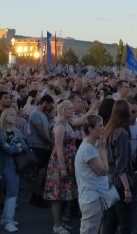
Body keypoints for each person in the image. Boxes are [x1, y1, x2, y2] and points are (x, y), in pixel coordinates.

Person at [43, 100, 78, 234]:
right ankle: (57, 225)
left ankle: (60, 223)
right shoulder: (60, 126)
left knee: (63, 193)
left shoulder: (67, 124)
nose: (72, 110)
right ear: (63, 110)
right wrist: (63, 168)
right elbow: (58, 147)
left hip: (69, 160)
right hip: (60, 162)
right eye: (69, 108)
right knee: (56, 194)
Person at [104, 99, 136, 234]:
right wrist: (127, 188)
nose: (134, 114)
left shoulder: (109, 130)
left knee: (112, 220)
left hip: (111, 180)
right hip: (121, 183)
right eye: (132, 111)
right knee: (126, 223)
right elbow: (121, 163)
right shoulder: (121, 133)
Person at [75, 115, 110, 234]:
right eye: (100, 126)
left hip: (96, 196)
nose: (103, 128)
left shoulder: (90, 146)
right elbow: (103, 170)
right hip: (91, 199)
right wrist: (102, 149)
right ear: (90, 129)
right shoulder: (88, 149)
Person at [0, 107, 27, 232]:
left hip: (17, 165)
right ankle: (8, 221)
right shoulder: (0, 133)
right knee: (12, 191)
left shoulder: (16, 131)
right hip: (6, 165)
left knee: (13, 190)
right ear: (5, 117)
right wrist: (17, 147)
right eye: (11, 115)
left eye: (15, 114)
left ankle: (6, 218)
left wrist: (15, 147)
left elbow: (25, 146)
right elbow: (7, 150)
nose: (14, 117)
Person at [27, 95, 55, 208]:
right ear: (44, 102)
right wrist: (51, 142)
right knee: (40, 172)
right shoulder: (35, 114)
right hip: (37, 146)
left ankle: (40, 194)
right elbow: (40, 131)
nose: (50, 107)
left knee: (43, 173)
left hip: (44, 147)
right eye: (49, 104)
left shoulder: (44, 114)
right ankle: (36, 196)